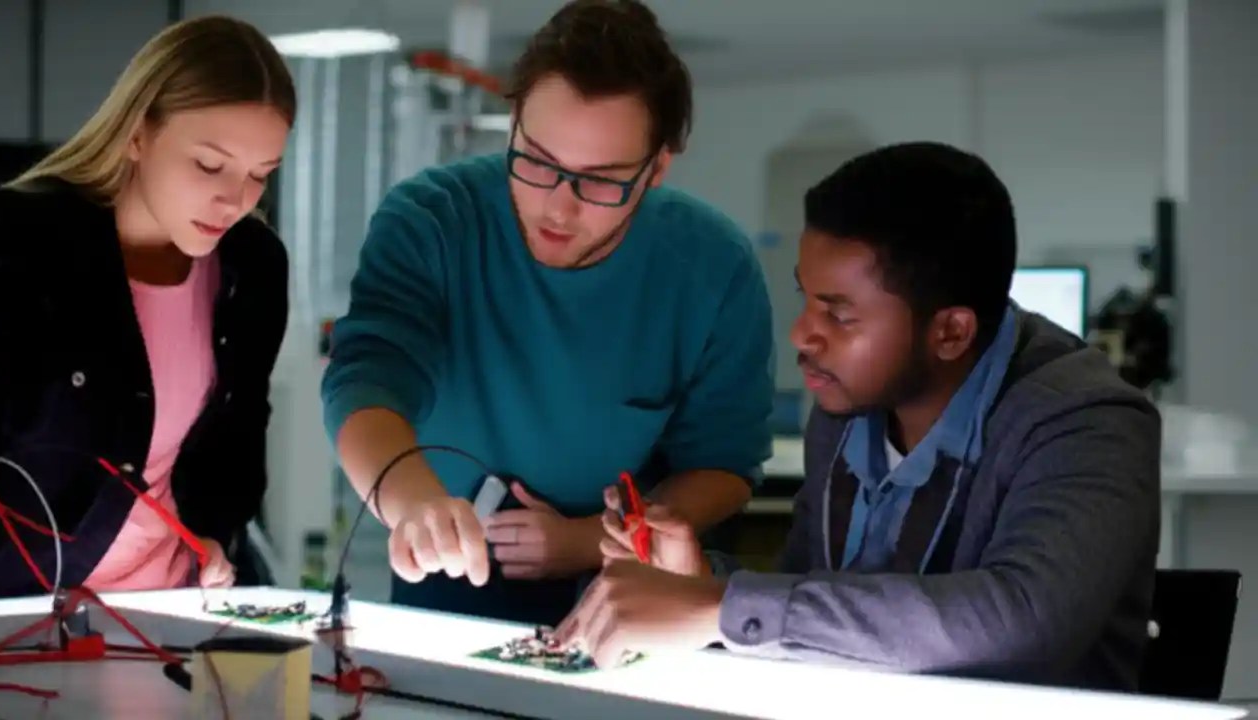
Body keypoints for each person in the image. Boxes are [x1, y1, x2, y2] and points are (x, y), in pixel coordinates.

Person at [558, 141, 1161, 692]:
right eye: (805, 299)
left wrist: (719, 607)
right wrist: (700, 580)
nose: (801, 335)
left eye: (839, 315)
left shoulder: (1087, 422)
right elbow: (814, 597)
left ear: (950, 331)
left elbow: (1025, 621)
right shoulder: (848, 410)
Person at [322, 0, 774, 625]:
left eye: (600, 181)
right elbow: (365, 381)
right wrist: (414, 503)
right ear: (512, 124)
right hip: (447, 569)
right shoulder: (432, 219)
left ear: (657, 169)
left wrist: (585, 539)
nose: (558, 207)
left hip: (629, 585)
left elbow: (724, 465)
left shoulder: (712, 266)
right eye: (536, 162)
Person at [0, 15, 293, 598]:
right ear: (137, 133)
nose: (235, 200)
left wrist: (216, 533)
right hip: (17, 608)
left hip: (172, 602)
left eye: (260, 175)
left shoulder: (253, 264)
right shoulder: (21, 237)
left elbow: (238, 439)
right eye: (208, 164)